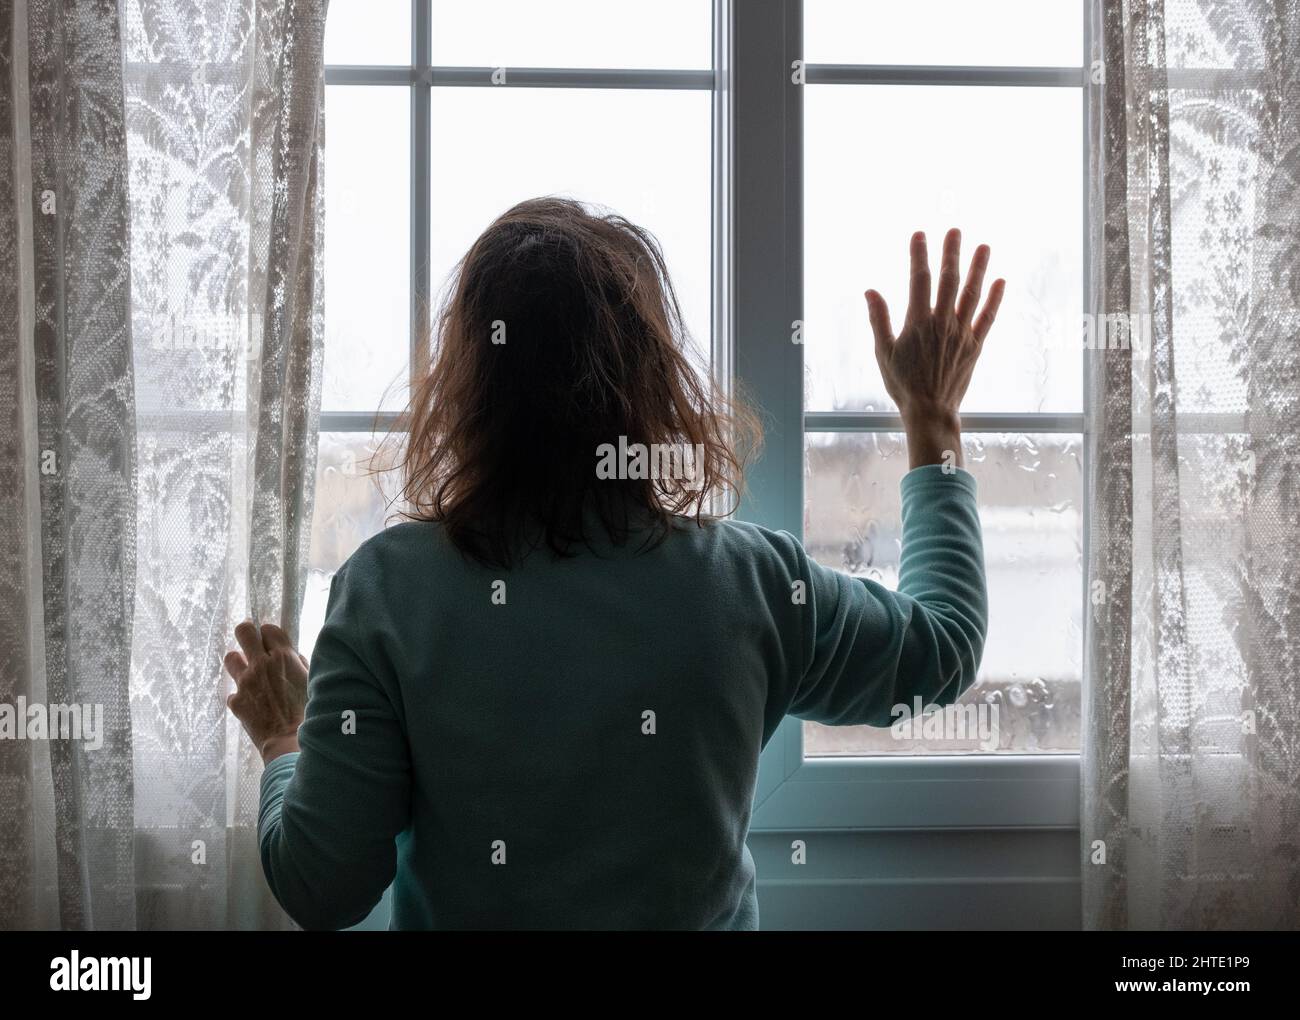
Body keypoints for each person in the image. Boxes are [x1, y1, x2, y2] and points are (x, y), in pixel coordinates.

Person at [223, 197, 1003, 930]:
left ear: (469, 389)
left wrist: (284, 741)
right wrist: (931, 420)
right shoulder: (750, 584)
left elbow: (324, 888)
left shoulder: (388, 591)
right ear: (652, 384)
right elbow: (941, 648)